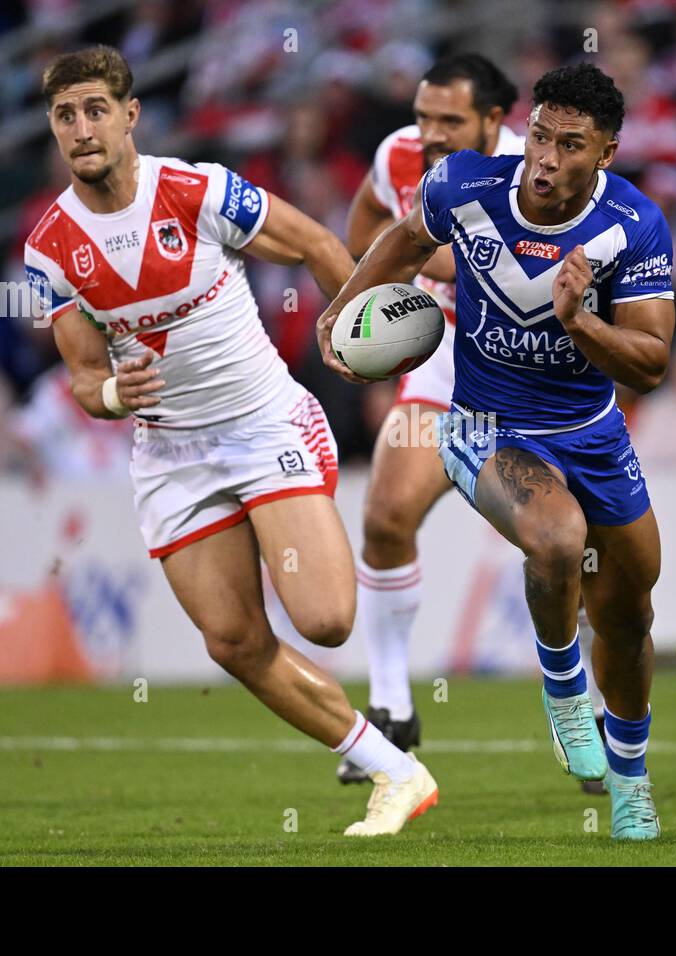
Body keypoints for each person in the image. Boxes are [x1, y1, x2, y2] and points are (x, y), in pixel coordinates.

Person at [24, 46, 436, 836]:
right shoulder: (50, 247)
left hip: (261, 426)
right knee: (234, 641)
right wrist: (112, 393)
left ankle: (385, 741)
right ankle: (396, 770)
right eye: (64, 115)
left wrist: (360, 337)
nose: (81, 128)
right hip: (172, 455)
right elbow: (81, 376)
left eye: (95, 109)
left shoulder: (197, 189)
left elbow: (315, 242)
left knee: (323, 621)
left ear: (130, 114)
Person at [318, 63, 674, 841]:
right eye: (541, 136)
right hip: (485, 425)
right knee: (555, 540)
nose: (546, 159)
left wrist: (581, 323)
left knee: (630, 610)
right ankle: (562, 688)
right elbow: (402, 240)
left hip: (592, 434)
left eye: (570, 145)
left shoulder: (634, 224)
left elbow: (650, 362)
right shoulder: (465, 187)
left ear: (606, 152)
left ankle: (631, 777)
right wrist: (341, 314)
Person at [336, 52, 524, 784]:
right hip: (446, 369)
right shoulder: (398, 156)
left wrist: (419, 262)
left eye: (451, 120)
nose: (432, 133)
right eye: (424, 116)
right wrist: (388, 292)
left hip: (528, 374)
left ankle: (600, 707)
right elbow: (365, 226)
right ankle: (391, 707)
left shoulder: (535, 170)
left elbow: (496, 269)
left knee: (571, 551)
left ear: (493, 121)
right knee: (385, 517)